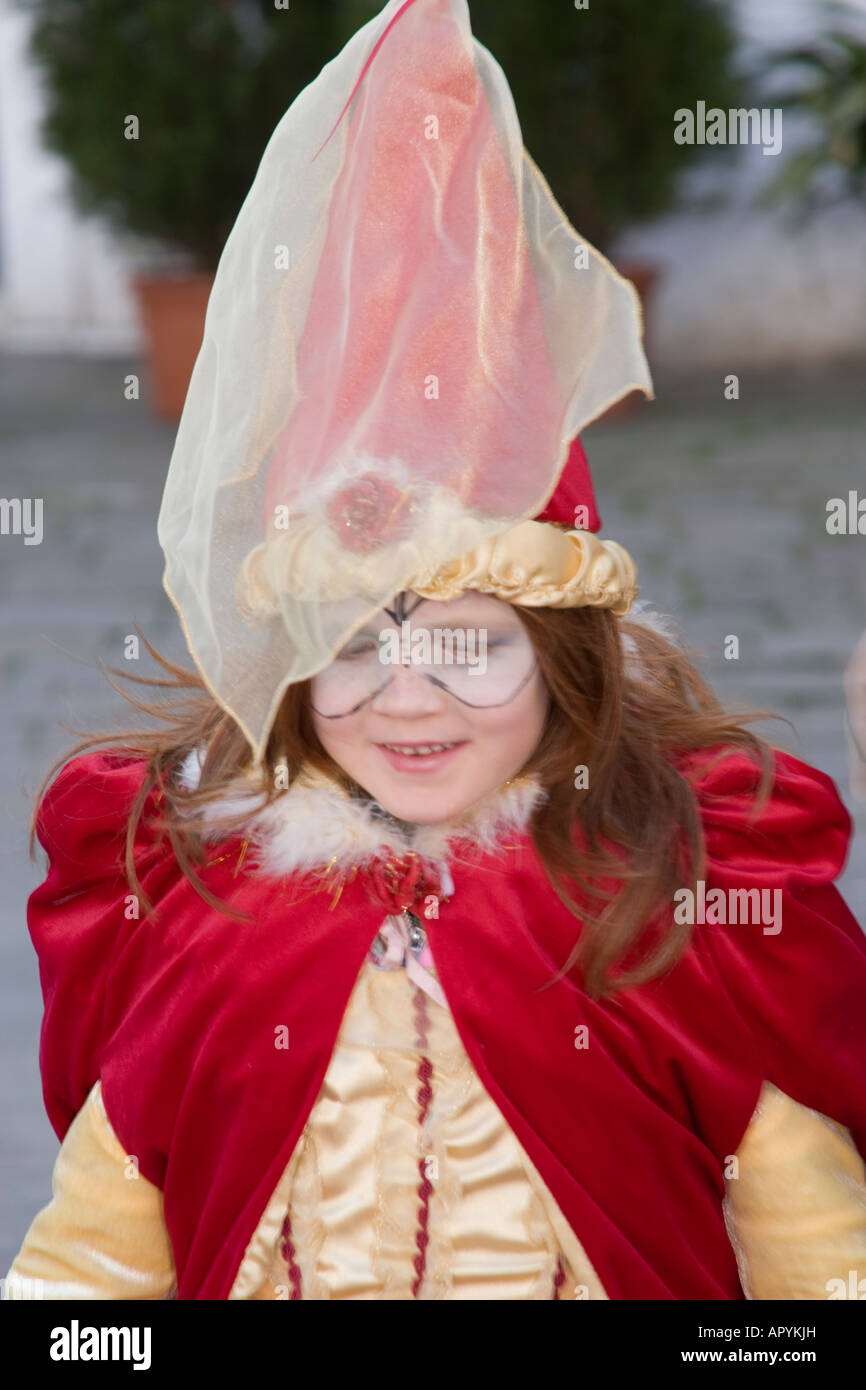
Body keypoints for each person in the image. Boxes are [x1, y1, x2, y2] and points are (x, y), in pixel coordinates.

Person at [5, 0, 866, 1302]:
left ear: (568, 657)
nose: (409, 699)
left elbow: (814, 1250)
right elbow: (93, 1267)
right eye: (352, 649)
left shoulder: (667, 909)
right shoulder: (212, 920)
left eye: (470, 647)